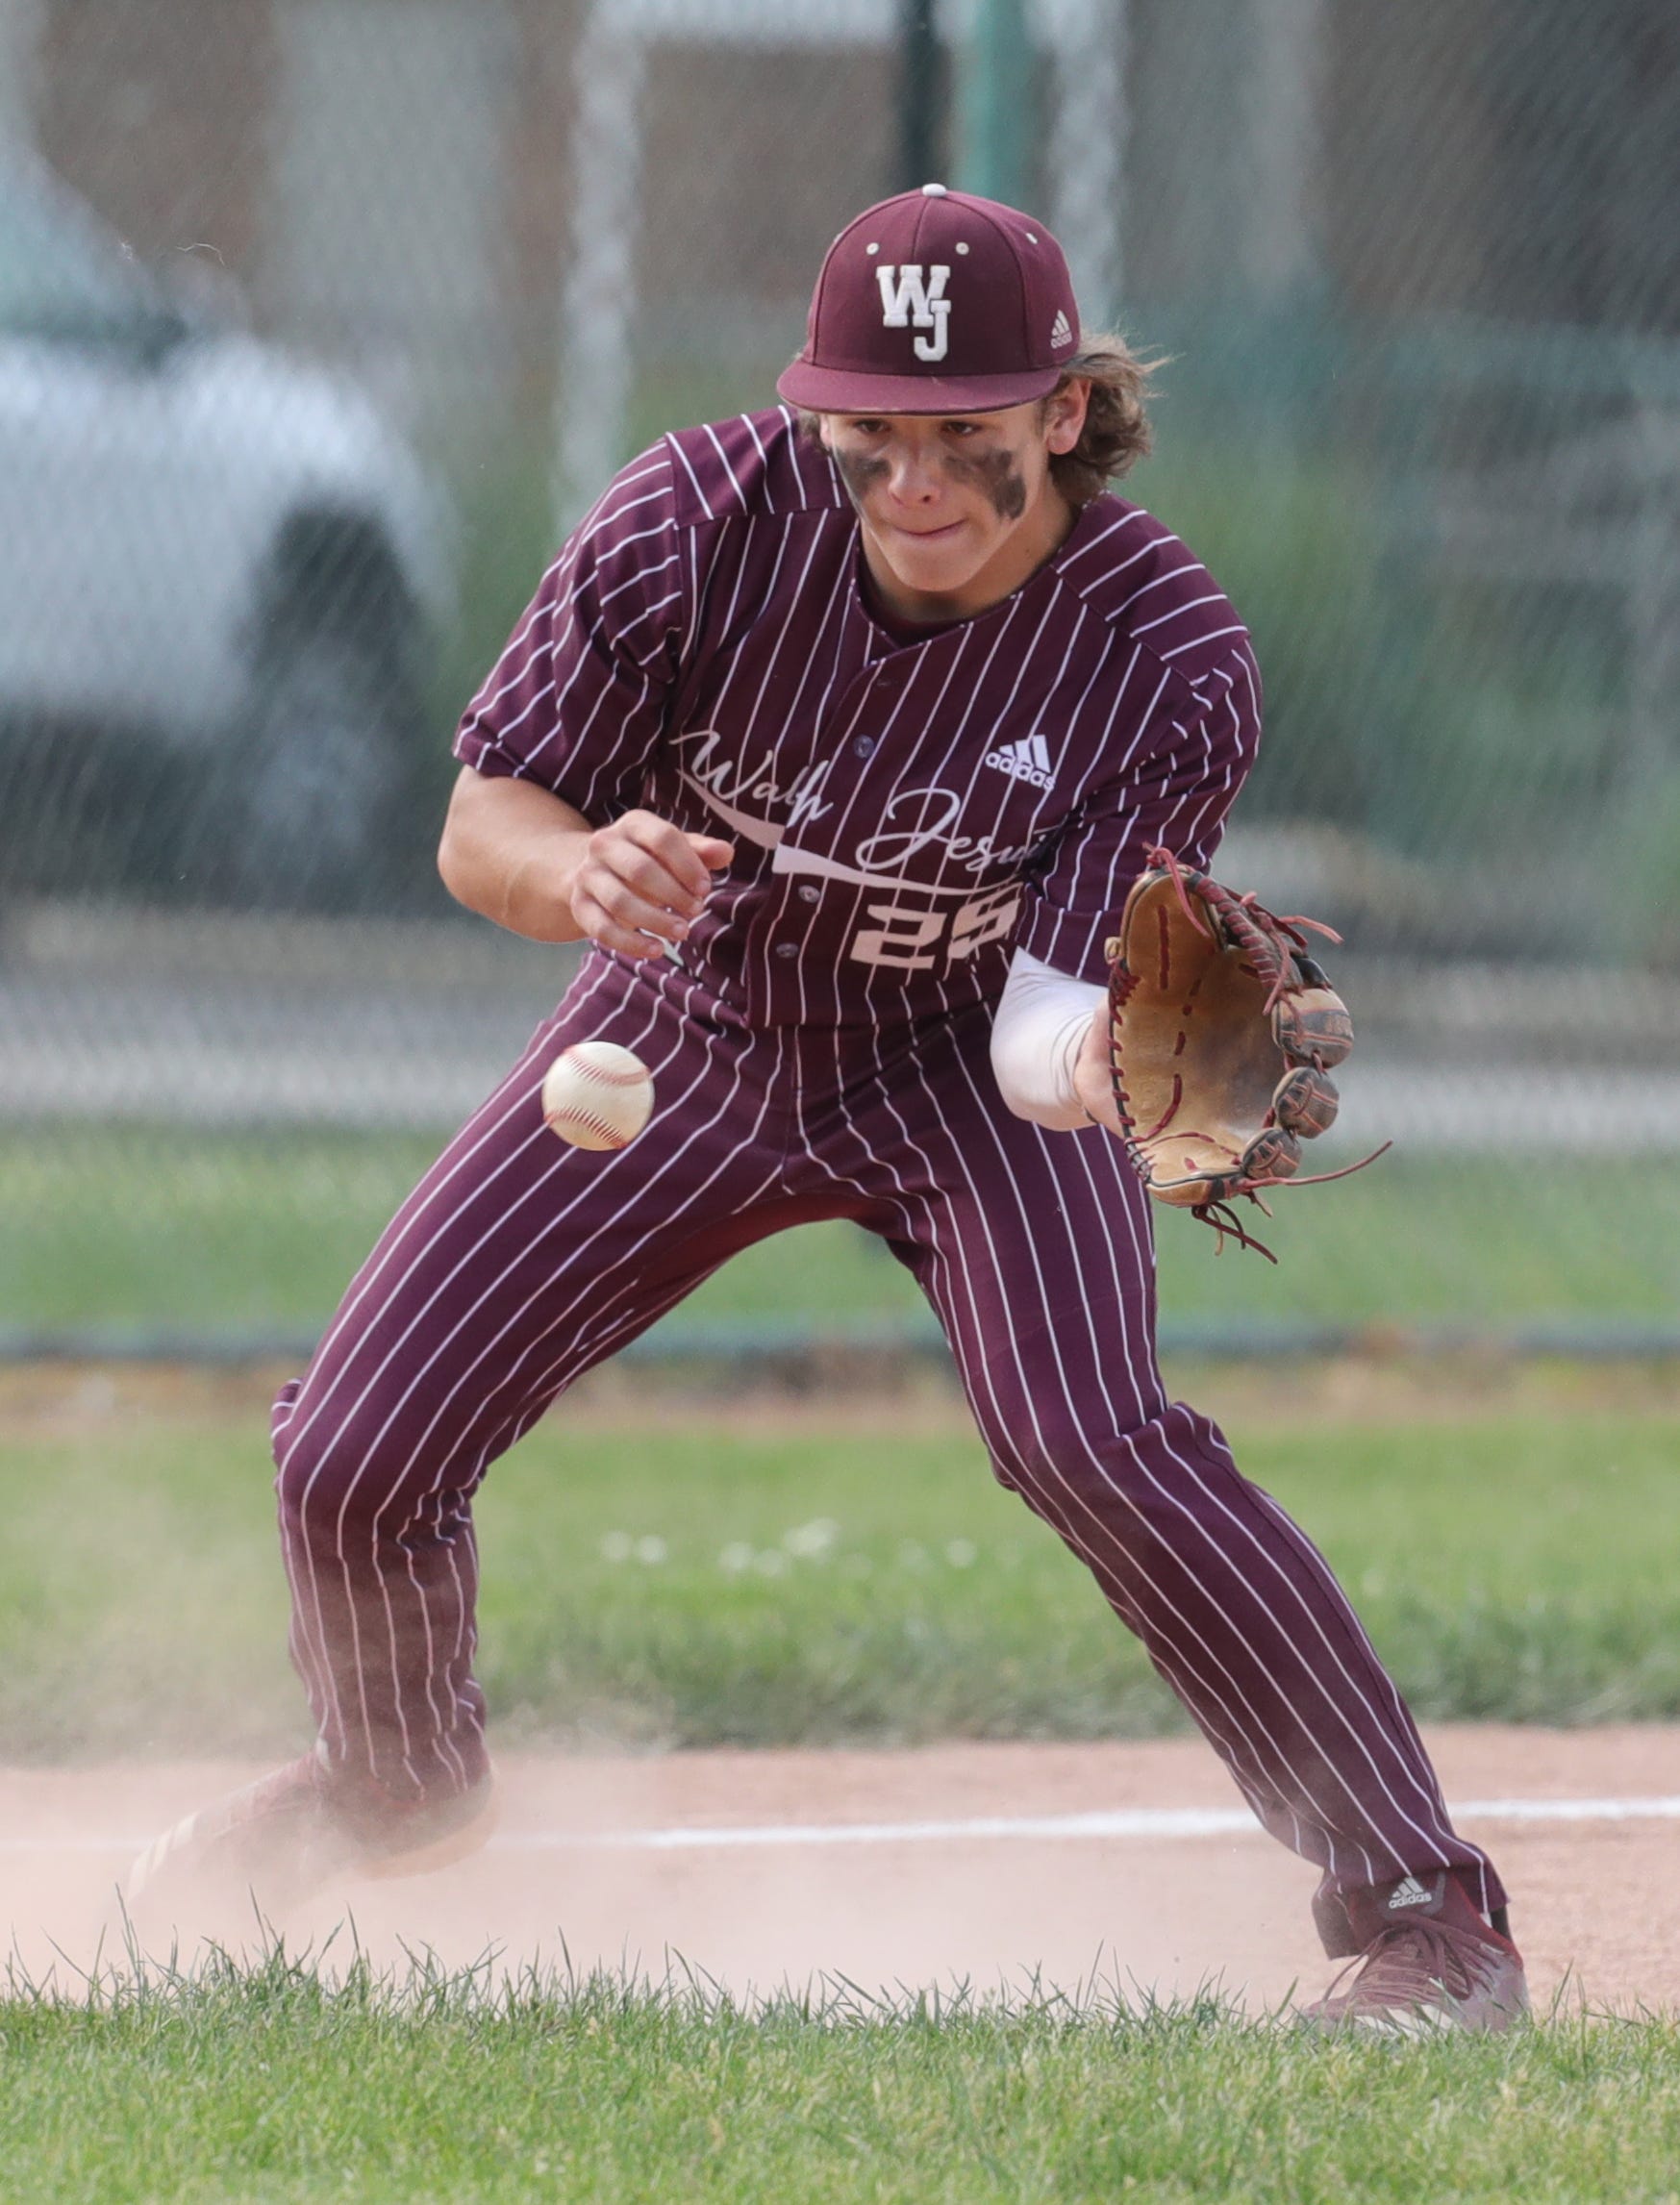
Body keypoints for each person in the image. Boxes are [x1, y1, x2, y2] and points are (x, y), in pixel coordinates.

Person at [128, 186, 1525, 2033]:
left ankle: (1429, 1915)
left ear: (1064, 415)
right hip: (688, 1021)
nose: (915, 482)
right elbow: (487, 822)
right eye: (873, 439)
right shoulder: (697, 518)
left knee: (1090, 1435)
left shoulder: (1158, 646)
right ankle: (394, 1773)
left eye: (964, 439)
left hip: (975, 1075)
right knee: (352, 1451)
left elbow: (1044, 1028)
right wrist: (581, 875)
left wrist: (1113, 1063)